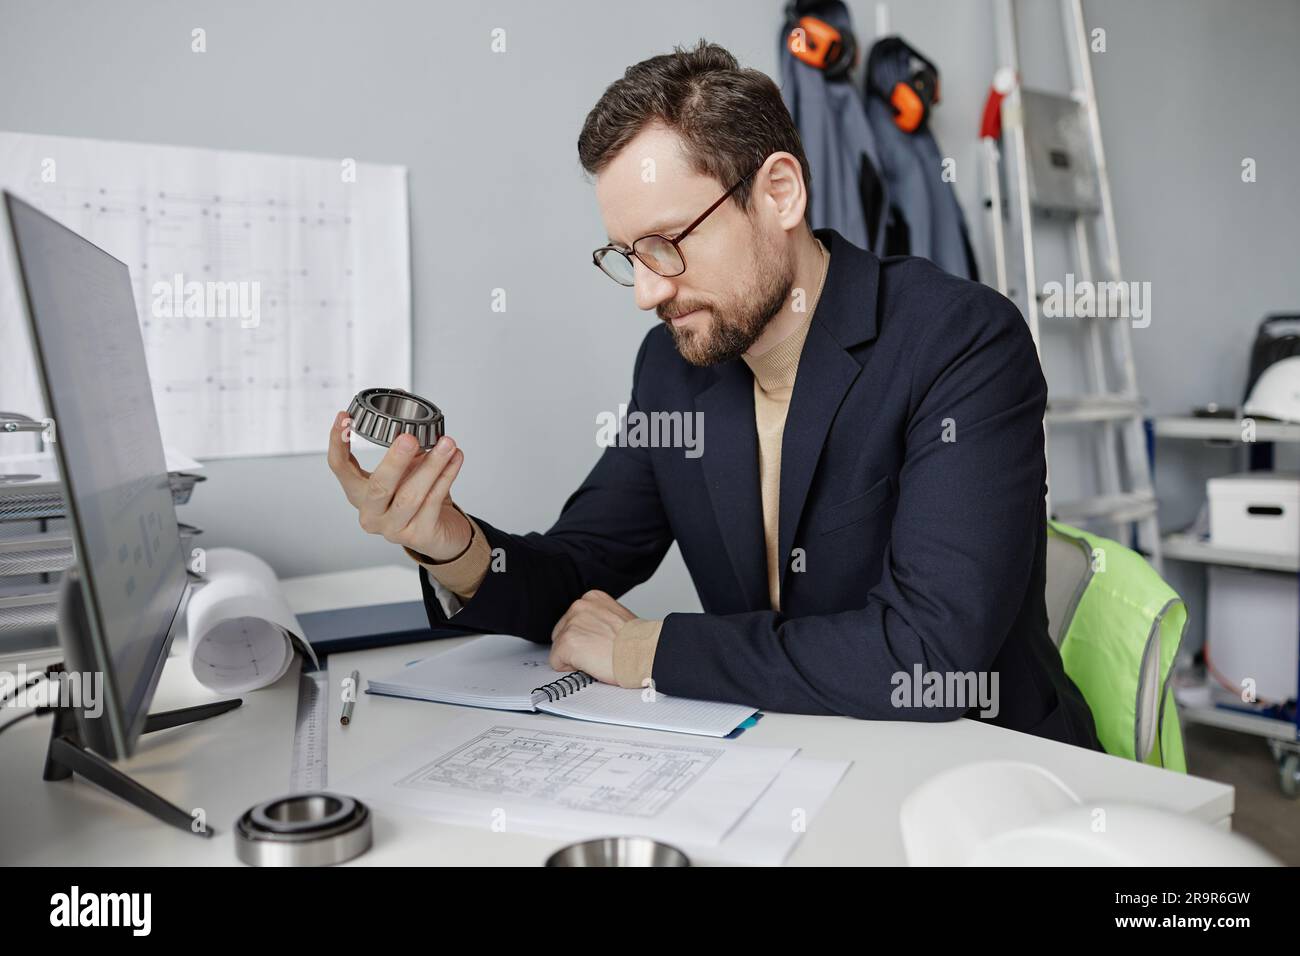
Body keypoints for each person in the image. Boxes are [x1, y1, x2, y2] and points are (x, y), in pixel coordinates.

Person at [327, 41, 1101, 750]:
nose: (647, 291)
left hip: (983, 766)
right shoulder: (674, 370)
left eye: (668, 244)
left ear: (779, 193)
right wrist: (451, 544)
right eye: (629, 256)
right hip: (788, 757)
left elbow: (928, 649)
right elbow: (578, 567)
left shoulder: (960, 340)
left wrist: (648, 648)